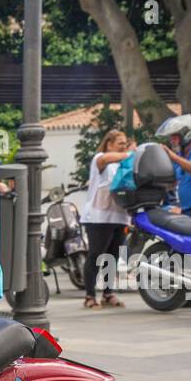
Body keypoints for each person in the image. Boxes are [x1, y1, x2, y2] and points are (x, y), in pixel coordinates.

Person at [80, 129, 133, 309]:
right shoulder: (100, 159)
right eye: (120, 144)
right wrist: (130, 153)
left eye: (125, 145)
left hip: (120, 217)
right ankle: (89, 296)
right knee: (96, 255)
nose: (123, 148)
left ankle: (108, 293)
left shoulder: (124, 164)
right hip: (98, 217)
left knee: (113, 257)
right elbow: (104, 159)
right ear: (109, 144)